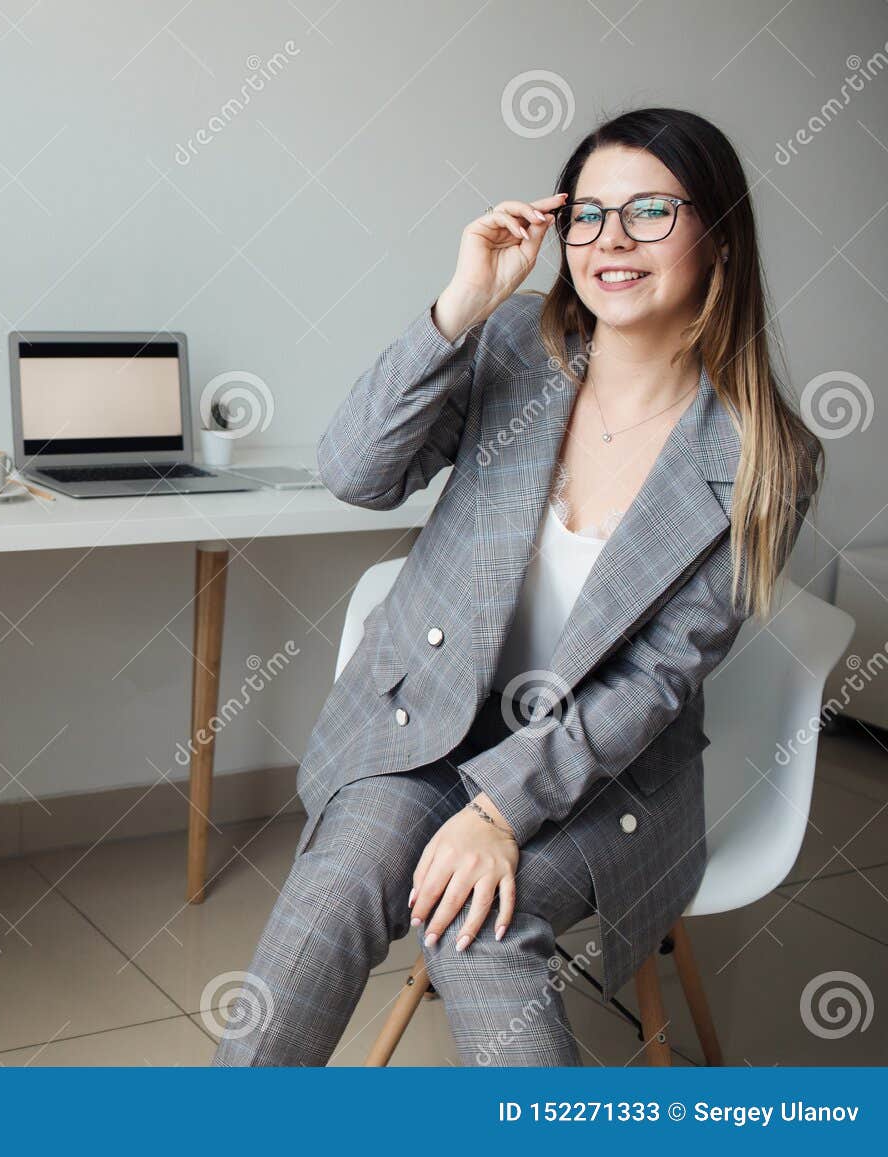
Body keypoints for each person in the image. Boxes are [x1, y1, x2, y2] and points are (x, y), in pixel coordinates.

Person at [212, 107, 823, 1067]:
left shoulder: (764, 457)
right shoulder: (509, 352)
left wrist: (497, 813)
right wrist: (459, 304)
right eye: (586, 214)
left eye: (651, 212)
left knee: (480, 929)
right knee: (337, 887)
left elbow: (655, 683)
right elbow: (354, 472)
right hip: (424, 733)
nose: (611, 240)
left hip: (604, 775)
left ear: (720, 236)